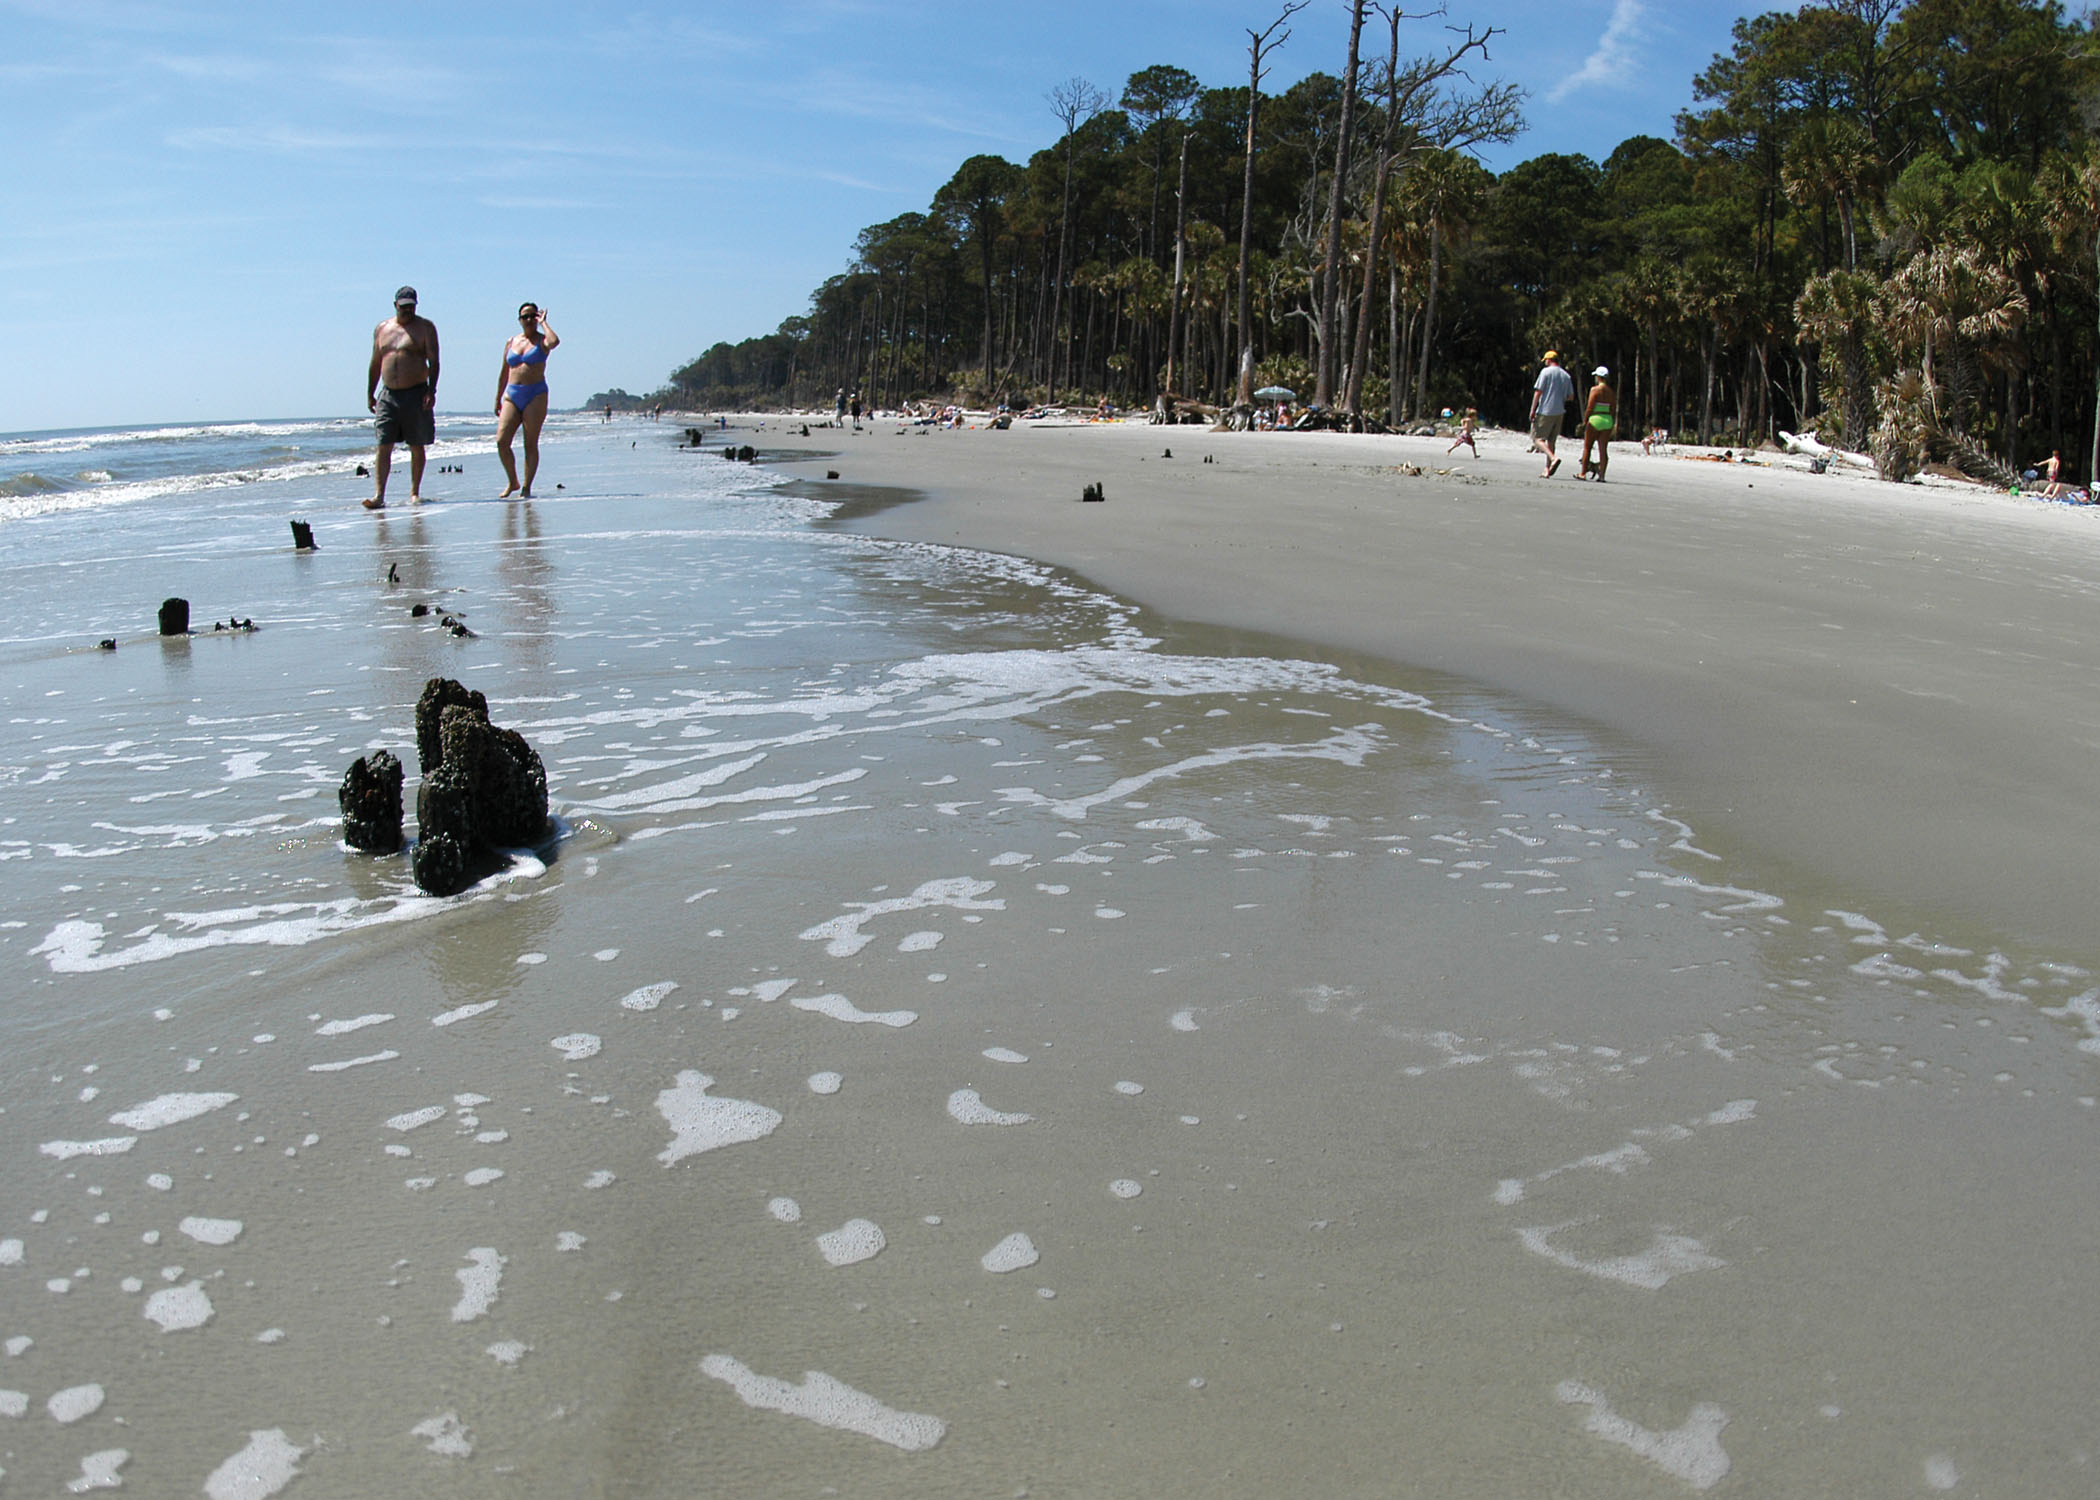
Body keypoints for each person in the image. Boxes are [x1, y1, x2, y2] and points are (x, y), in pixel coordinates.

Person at [365, 286, 439, 509]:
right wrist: (370, 392)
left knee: (416, 444)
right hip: (388, 394)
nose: (408, 310)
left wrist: (431, 391)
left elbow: (434, 362)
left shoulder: (425, 328)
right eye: (403, 306)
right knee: (383, 444)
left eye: (411, 306)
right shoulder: (382, 329)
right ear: (395, 305)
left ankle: (414, 492)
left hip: (416, 392)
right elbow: (376, 362)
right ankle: (379, 495)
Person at [495, 302, 559, 498]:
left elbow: (554, 341)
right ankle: (513, 481)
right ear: (519, 320)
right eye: (525, 317)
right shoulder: (511, 341)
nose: (529, 320)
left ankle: (526, 487)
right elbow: (504, 372)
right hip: (512, 393)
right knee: (501, 441)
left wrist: (544, 323)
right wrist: (497, 397)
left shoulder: (542, 340)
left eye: (533, 316)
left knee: (529, 444)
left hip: (535, 394)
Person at [1528, 351, 1573, 478]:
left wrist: (1532, 410)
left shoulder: (1545, 372)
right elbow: (1570, 396)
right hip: (1559, 412)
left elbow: (1538, 392)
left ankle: (1553, 458)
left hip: (1545, 410)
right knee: (1551, 441)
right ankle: (1547, 469)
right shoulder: (1566, 375)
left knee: (1537, 439)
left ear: (1549, 360)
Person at [1577, 366, 1617, 481]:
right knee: (1603, 450)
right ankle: (1602, 476)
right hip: (1607, 419)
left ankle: (1583, 473)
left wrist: (1585, 421)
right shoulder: (1611, 391)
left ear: (1598, 377)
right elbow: (1613, 408)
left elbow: (1590, 407)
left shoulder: (1594, 390)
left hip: (1595, 418)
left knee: (1587, 447)